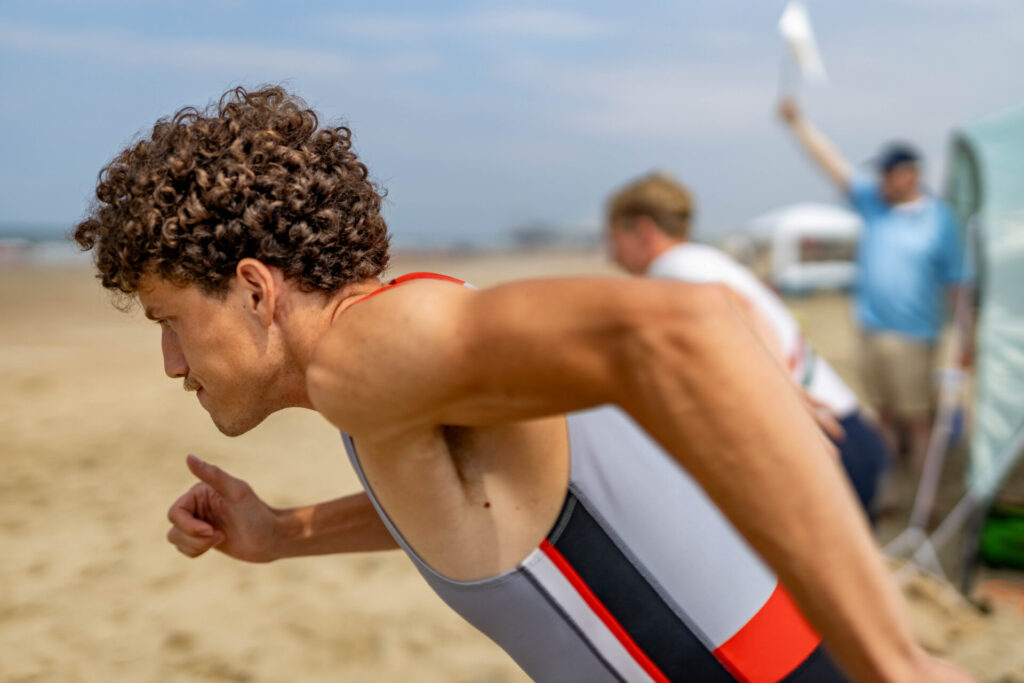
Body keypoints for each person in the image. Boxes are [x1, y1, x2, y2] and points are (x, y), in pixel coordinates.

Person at [73, 85, 972, 682]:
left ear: (255, 289)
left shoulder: (361, 356)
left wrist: (896, 664)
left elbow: (687, 328)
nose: (173, 366)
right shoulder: (388, 367)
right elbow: (488, 502)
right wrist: (279, 532)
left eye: (170, 323)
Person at [604, 171, 890, 517]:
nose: (611, 256)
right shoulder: (705, 259)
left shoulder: (672, 269)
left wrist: (786, 393)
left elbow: (737, 306)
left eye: (614, 238)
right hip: (841, 429)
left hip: (820, 440)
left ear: (644, 231)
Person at [777, 98, 972, 471]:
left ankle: (923, 488)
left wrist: (967, 336)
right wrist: (798, 124)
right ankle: (887, 484)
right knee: (881, 413)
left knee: (916, 416)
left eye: (888, 173)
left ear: (910, 174)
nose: (881, 180)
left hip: (915, 335)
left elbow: (956, 284)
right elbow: (831, 164)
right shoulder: (872, 204)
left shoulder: (940, 220)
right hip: (870, 330)